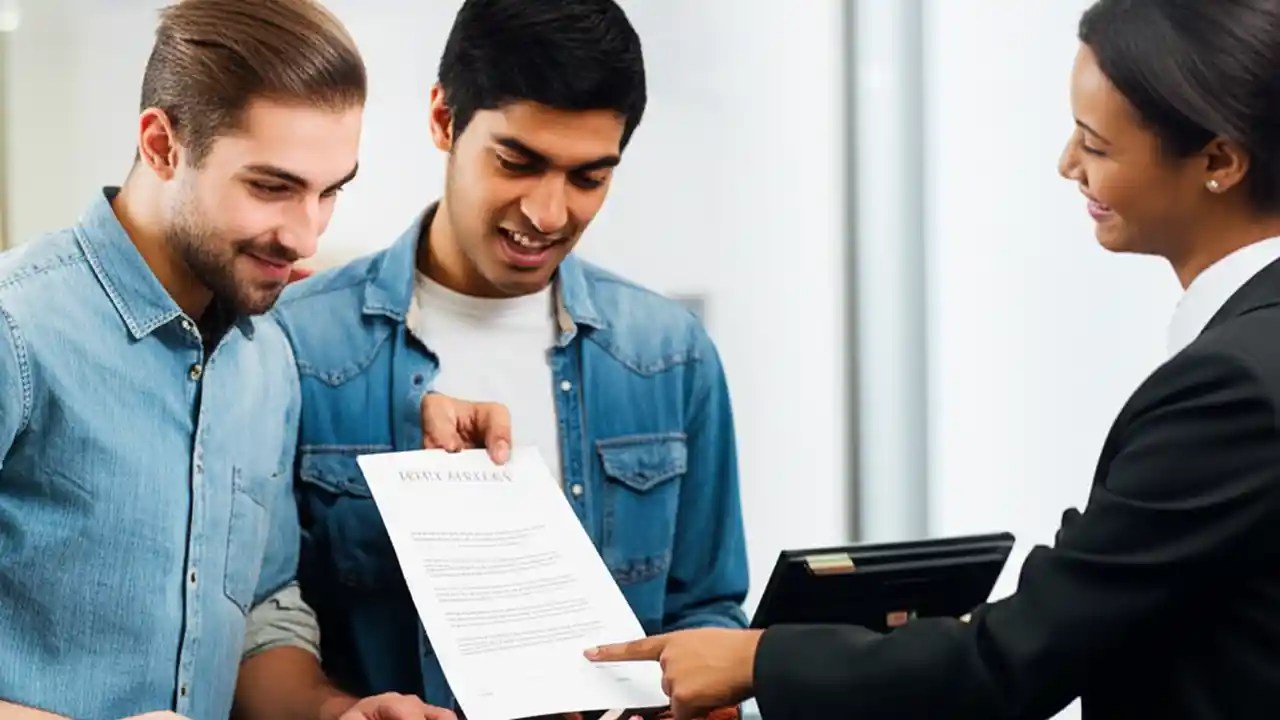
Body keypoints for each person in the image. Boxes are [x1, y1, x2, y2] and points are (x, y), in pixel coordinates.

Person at [587, 1, 1280, 718]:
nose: (1066, 164)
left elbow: (1019, 657)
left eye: (1096, 145)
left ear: (1219, 161)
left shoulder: (1232, 387)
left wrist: (758, 661)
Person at [0, 1, 485, 718]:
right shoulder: (17, 331)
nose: (305, 235)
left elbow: (258, 611)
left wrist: (333, 712)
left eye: (330, 191)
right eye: (272, 186)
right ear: (162, 145)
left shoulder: (266, 362)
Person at [267, 0, 750, 714]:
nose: (549, 213)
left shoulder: (671, 355)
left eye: (589, 177)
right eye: (517, 163)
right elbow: (253, 615)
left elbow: (707, 610)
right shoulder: (293, 345)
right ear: (442, 120)